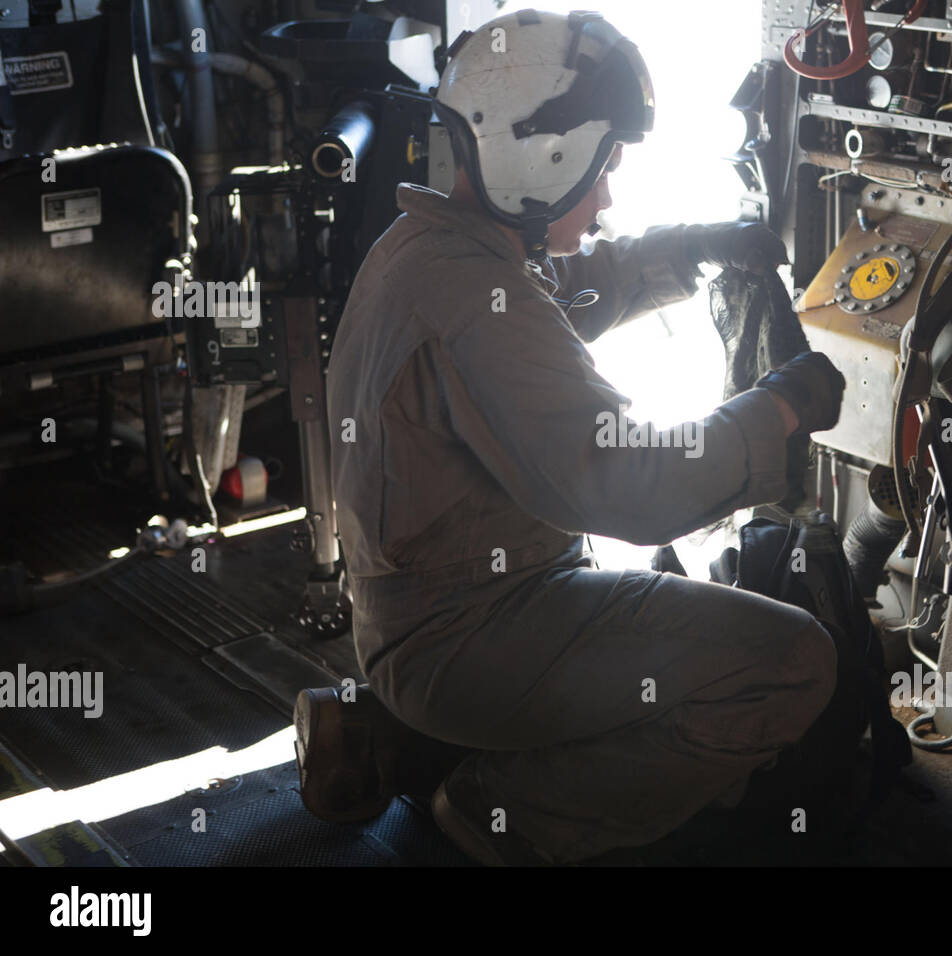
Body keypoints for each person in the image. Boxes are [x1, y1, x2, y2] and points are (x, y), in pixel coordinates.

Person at [297, 8, 848, 865]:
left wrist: (689, 250)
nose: (607, 198)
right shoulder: (477, 297)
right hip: (470, 641)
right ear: (541, 157)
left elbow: (558, 290)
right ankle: (498, 812)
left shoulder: (429, 248)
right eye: (602, 170)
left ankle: (414, 744)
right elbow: (627, 485)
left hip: (425, 625)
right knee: (791, 663)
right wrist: (780, 407)